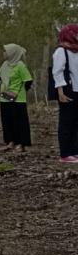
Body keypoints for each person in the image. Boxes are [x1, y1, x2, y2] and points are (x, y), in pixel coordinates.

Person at [0, 45, 33, 152]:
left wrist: (20, 91)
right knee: (7, 121)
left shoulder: (20, 65)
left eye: (5, 51)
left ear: (12, 53)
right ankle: (10, 142)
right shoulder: (5, 65)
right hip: (5, 97)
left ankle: (21, 143)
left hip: (18, 99)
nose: (3, 53)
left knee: (19, 121)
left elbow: (28, 80)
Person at [52, 24, 78, 163]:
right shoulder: (61, 51)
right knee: (66, 122)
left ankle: (75, 151)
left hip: (77, 89)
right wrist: (60, 92)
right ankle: (65, 153)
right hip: (67, 89)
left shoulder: (76, 50)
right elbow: (57, 71)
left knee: (75, 122)